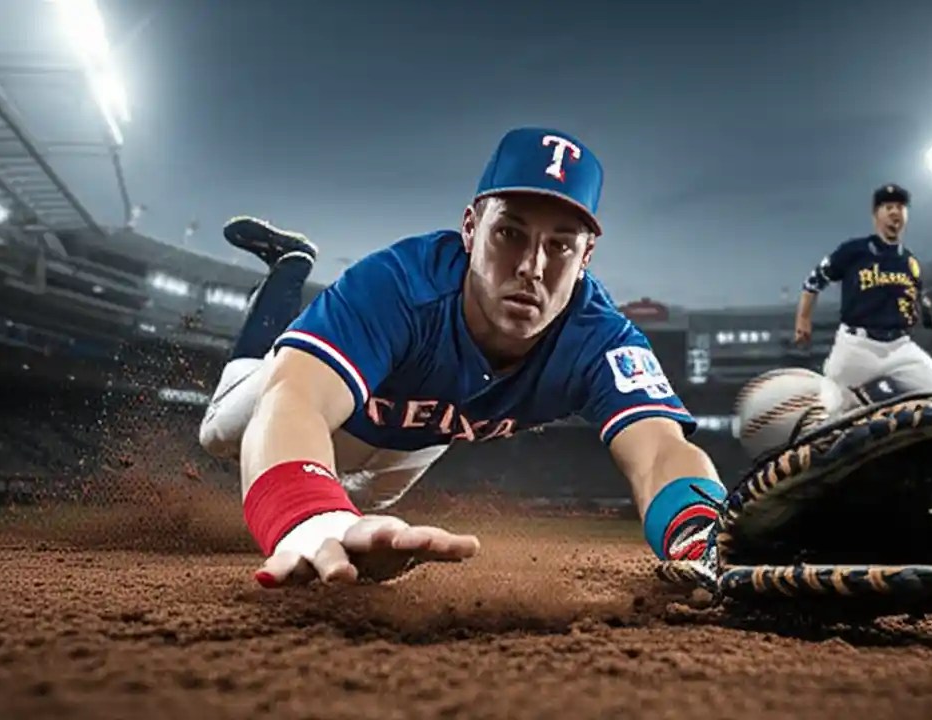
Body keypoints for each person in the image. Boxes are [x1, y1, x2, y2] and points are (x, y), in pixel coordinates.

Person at [198, 128, 724, 588]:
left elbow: (659, 452)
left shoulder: (599, 337)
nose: (532, 268)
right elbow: (296, 397)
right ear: (470, 229)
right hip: (331, 407)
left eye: (560, 246)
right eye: (509, 233)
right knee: (220, 432)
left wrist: (702, 531)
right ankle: (291, 266)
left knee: (364, 521)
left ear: (586, 258)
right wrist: (306, 514)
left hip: (415, 447)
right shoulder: (399, 283)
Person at [793, 183, 932, 401]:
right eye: (887, 207)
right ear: (875, 216)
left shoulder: (910, 262)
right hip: (856, 346)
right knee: (829, 412)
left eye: (900, 207)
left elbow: (918, 299)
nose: (894, 212)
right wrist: (803, 319)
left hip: (899, 347)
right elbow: (813, 281)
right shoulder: (853, 251)